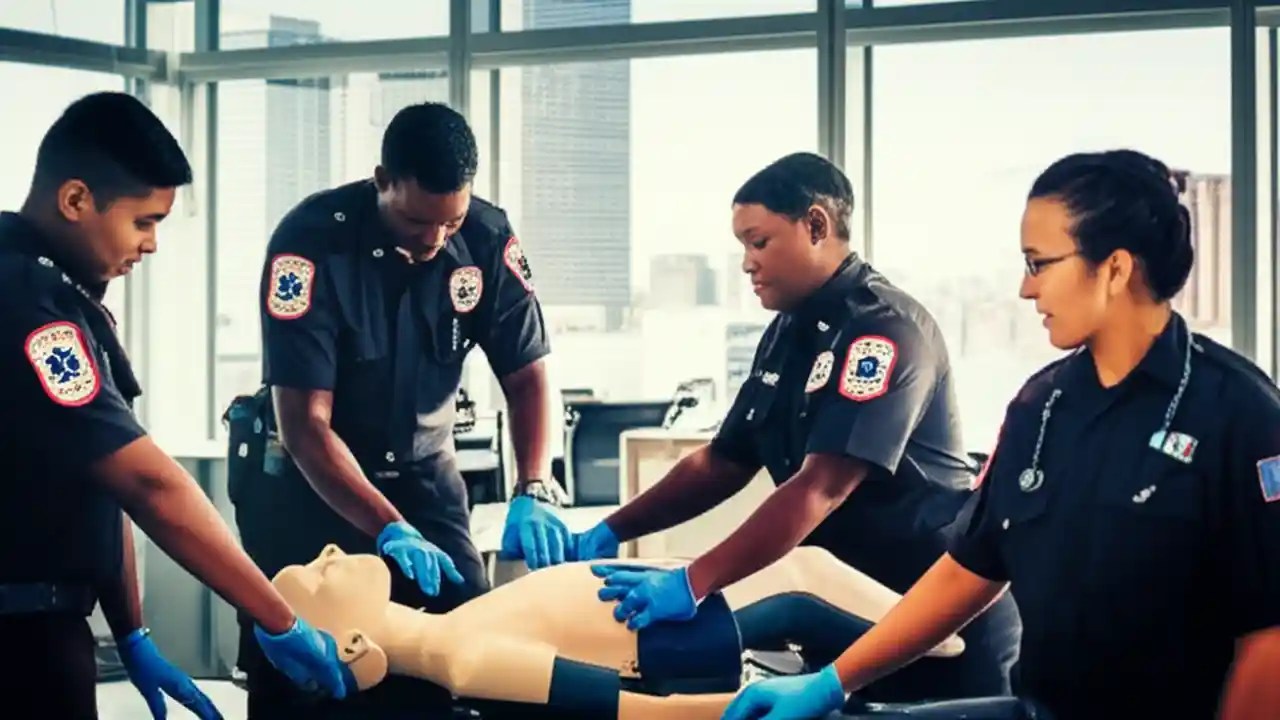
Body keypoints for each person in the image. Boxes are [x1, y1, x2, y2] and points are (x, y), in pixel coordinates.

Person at [719, 149, 1280, 720]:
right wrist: (833, 683)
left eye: (1039, 264)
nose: (1024, 289)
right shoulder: (1043, 406)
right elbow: (970, 569)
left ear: (1113, 268)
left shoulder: (1238, 414)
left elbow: (1269, 640)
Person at [514, 152, 1021, 702]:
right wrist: (611, 531)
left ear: (817, 226)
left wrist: (696, 580)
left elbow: (820, 487)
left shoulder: (883, 329)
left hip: (930, 612)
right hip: (845, 613)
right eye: (742, 247)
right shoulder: (786, 332)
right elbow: (724, 461)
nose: (747, 263)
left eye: (759, 242)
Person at [0, 92, 356, 718]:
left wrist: (130, 629)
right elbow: (146, 482)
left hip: (48, 620)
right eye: (144, 222)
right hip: (17, 637)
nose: (153, 245)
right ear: (76, 200)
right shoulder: (27, 299)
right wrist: (278, 619)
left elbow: (99, 474)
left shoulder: (51, 286)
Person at [234, 100, 562, 718]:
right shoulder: (310, 244)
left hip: (426, 485)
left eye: (450, 221)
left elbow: (528, 373)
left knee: (472, 656)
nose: (435, 239)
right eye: (416, 221)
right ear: (382, 180)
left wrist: (534, 484)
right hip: (314, 491)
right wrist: (386, 526)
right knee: (312, 679)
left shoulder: (485, 237)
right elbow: (305, 426)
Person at [266, 543, 971, 720]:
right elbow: (628, 708)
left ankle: (942, 633)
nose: (327, 557)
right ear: (353, 646)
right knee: (805, 578)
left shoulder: (459, 627)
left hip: (675, 608)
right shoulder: (468, 660)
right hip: (672, 638)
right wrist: (752, 706)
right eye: (316, 579)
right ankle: (947, 633)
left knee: (805, 574)